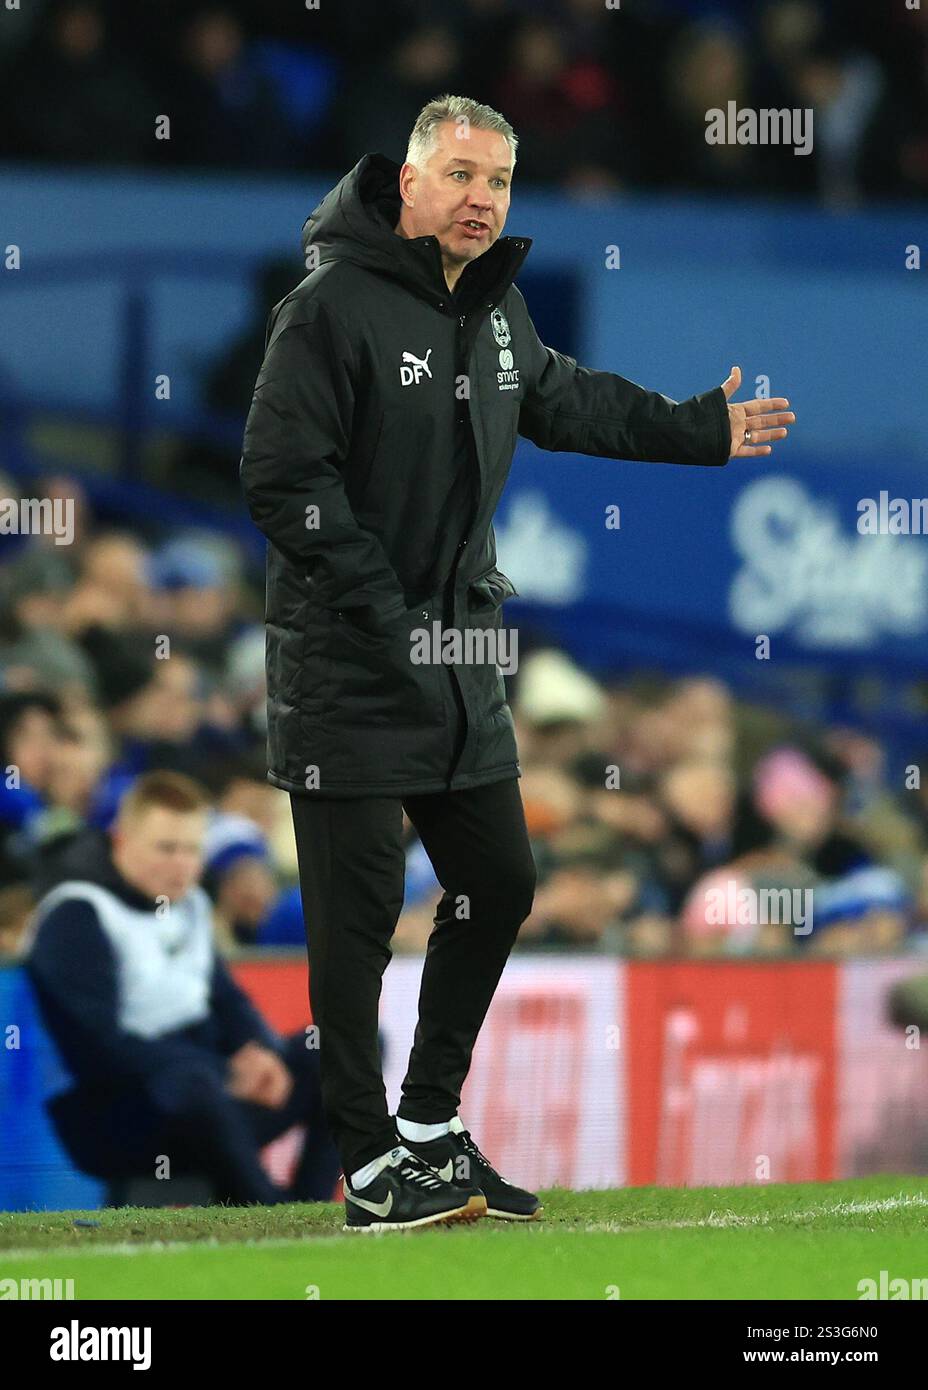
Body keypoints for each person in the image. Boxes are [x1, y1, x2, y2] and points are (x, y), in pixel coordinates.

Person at [239, 93, 795, 1233]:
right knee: (352, 924)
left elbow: (561, 398)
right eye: (459, 175)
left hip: (456, 659)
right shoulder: (328, 307)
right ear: (407, 182)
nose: (480, 198)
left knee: (499, 880)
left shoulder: (493, 310)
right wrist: (381, 611)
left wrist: (695, 430)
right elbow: (281, 477)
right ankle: (370, 1164)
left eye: (497, 181)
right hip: (346, 662)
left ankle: (431, 1124)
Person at [26, 770, 339, 1206]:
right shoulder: (76, 914)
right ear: (121, 841)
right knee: (190, 1081)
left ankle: (311, 1205)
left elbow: (226, 1001)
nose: (181, 864)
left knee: (339, 1051)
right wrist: (223, 1072)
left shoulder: (191, 904)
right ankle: (267, 1209)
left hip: (209, 1093)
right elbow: (99, 1048)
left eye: (192, 850)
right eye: (166, 848)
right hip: (116, 1117)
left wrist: (258, 1051)